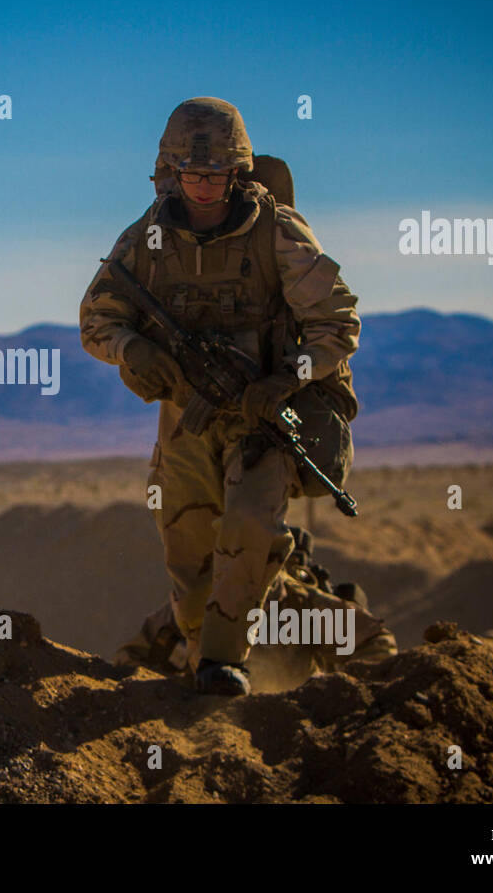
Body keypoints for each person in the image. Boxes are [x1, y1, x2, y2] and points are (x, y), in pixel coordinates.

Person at [79, 97, 365, 696]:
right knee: (185, 536)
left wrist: (286, 380)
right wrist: (134, 352)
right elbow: (97, 320)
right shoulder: (148, 237)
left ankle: (223, 663)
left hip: (264, 412)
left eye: (215, 175)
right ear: (171, 172)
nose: (204, 187)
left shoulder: (277, 232)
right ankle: (197, 653)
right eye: (191, 174)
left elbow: (337, 324)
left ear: (237, 173)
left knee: (252, 524)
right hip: (188, 411)